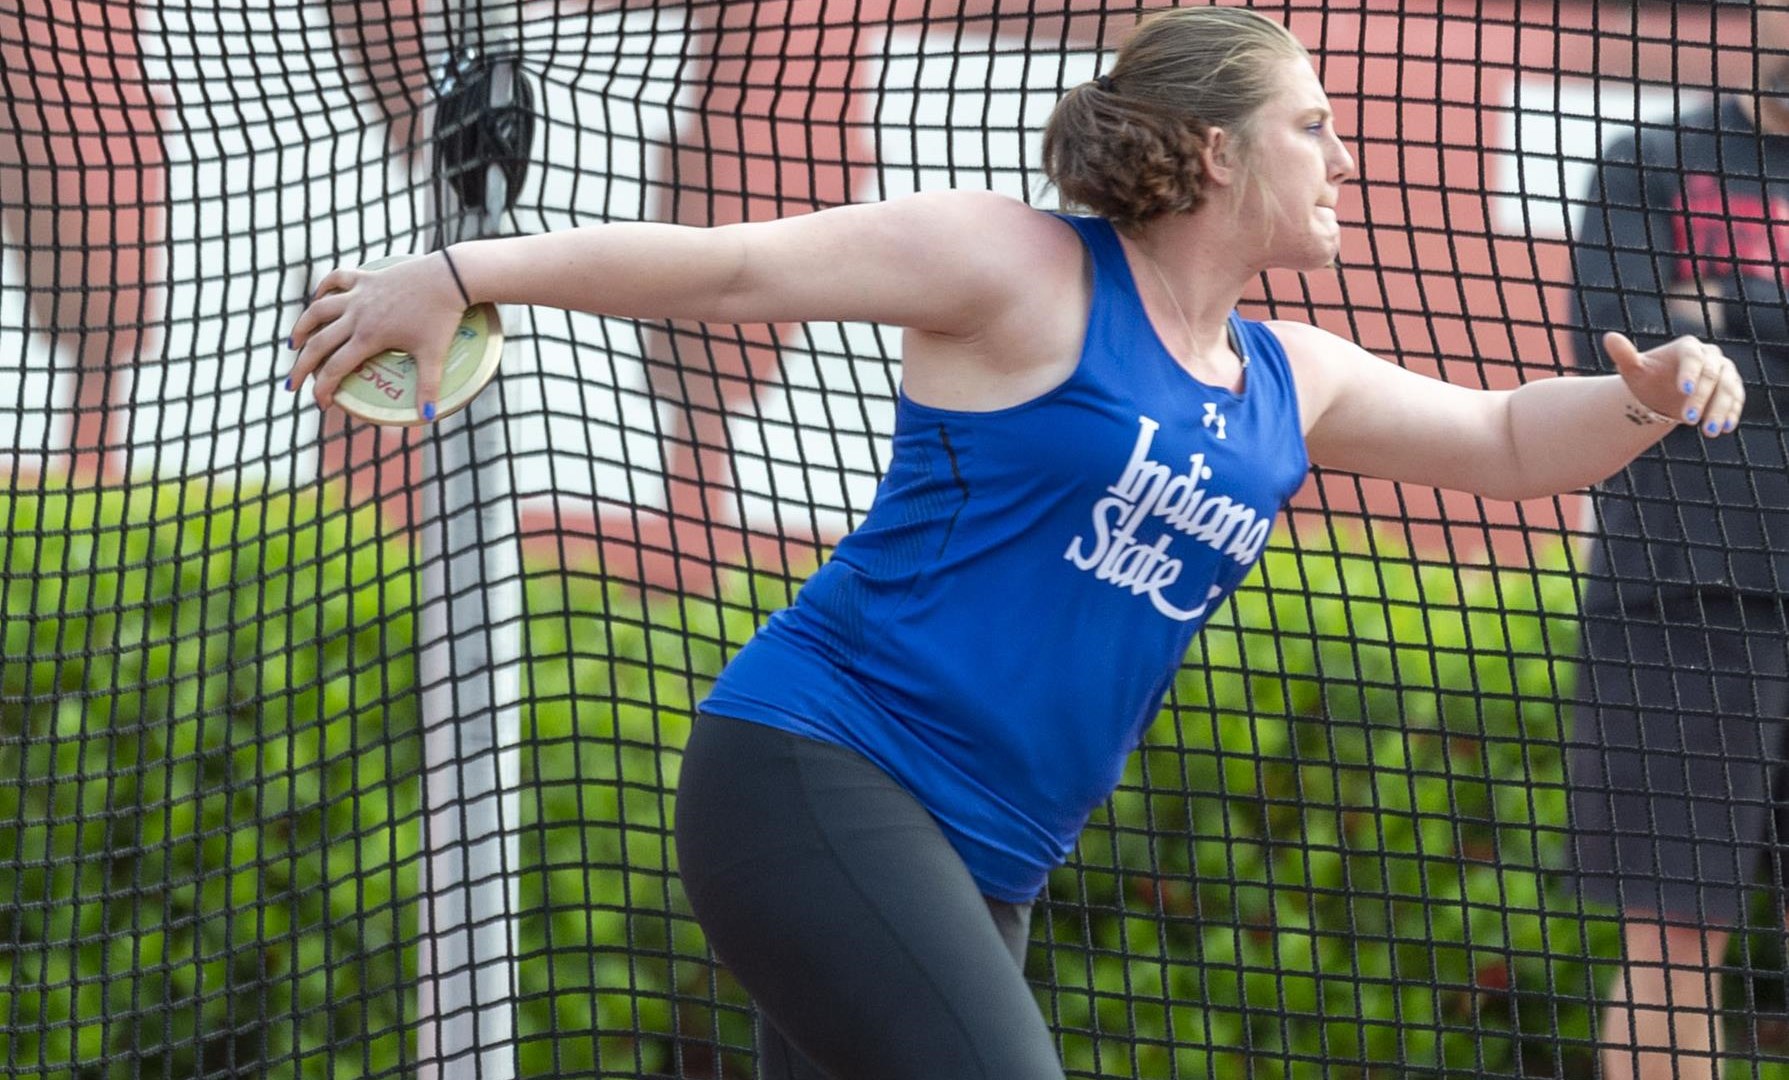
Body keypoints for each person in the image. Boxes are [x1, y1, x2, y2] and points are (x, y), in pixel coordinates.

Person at [286, 8, 1743, 1077]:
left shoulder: (1293, 376)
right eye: (1312, 125)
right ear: (1213, 151)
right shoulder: (1019, 268)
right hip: (821, 772)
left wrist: (1645, 394)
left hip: (996, 854)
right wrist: (463, 269)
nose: (1343, 153)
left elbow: (1501, 443)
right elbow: (732, 270)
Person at [1564, 3, 1789, 1078]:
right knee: (1673, 933)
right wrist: (1699, 335)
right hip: (1686, 583)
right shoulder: (1650, 159)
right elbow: (1631, 356)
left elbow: (1700, 332)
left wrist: (1730, 312)